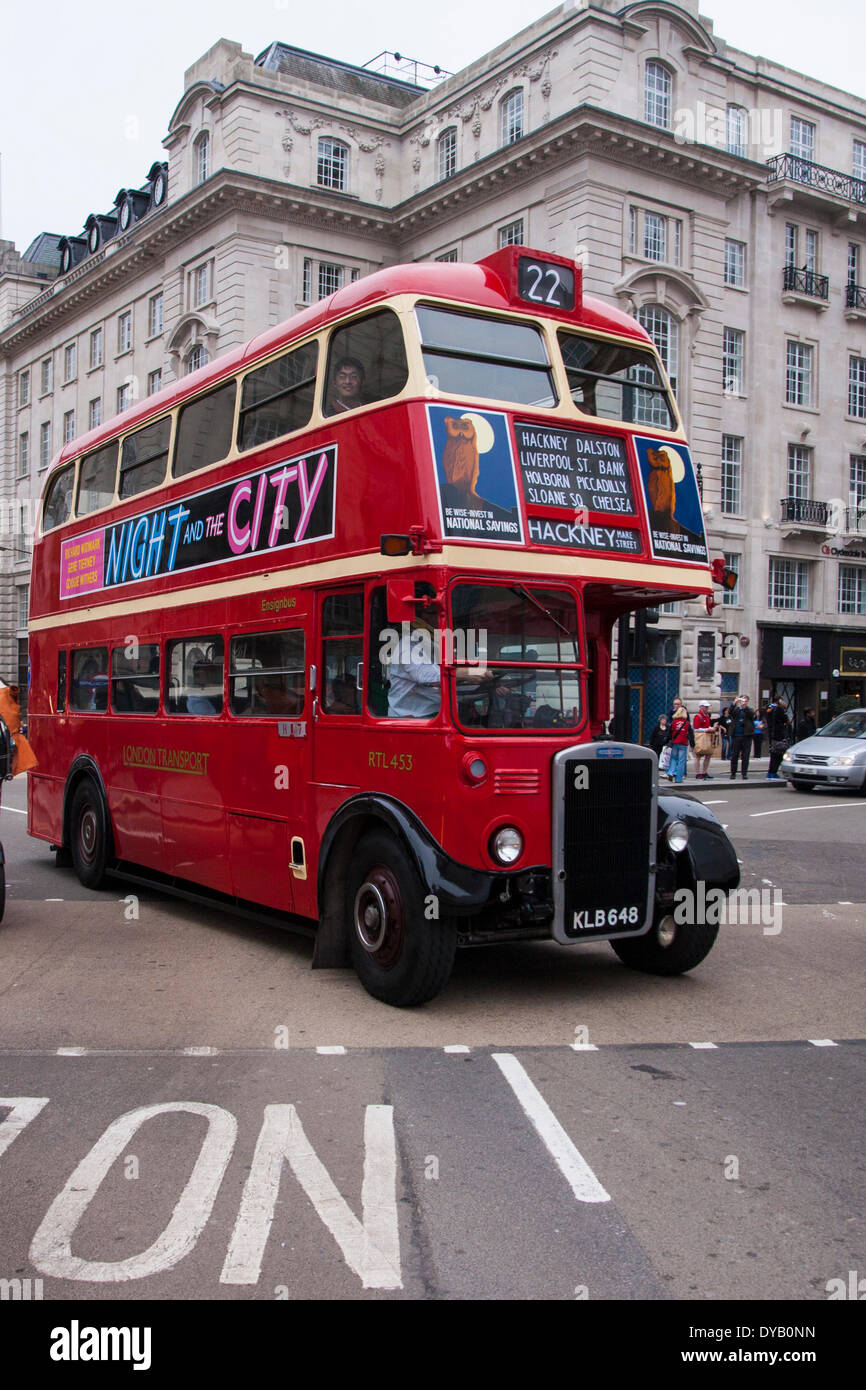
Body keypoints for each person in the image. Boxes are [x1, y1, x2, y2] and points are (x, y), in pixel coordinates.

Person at [727, 694, 755, 779]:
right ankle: (733, 773)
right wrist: (734, 703)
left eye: (745, 701)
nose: (744, 702)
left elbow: (751, 714)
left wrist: (744, 707)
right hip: (736, 735)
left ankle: (744, 773)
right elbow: (730, 712)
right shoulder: (736, 710)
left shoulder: (749, 710)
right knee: (734, 755)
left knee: (745, 756)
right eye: (742, 700)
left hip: (747, 736)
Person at [667, 700, 693, 784]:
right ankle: (678, 778)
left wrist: (667, 741)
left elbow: (669, 733)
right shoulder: (687, 723)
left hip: (675, 743)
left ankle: (671, 772)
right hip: (683, 743)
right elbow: (691, 734)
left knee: (673, 759)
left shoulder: (673, 722)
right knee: (681, 761)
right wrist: (693, 744)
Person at [766, 697, 792, 779]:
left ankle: (771, 773)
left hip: (773, 734)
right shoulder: (778, 709)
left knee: (775, 754)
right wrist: (784, 708)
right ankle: (772, 772)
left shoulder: (770, 708)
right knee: (777, 755)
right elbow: (787, 721)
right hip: (778, 736)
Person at [692, 699, 715, 780]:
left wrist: (711, 728)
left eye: (707, 706)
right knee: (698, 755)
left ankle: (704, 772)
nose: (707, 708)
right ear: (701, 707)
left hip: (707, 737)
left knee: (708, 755)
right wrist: (707, 730)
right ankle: (698, 773)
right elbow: (696, 729)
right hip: (700, 738)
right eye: (705, 706)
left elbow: (706, 726)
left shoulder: (707, 716)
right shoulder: (698, 717)